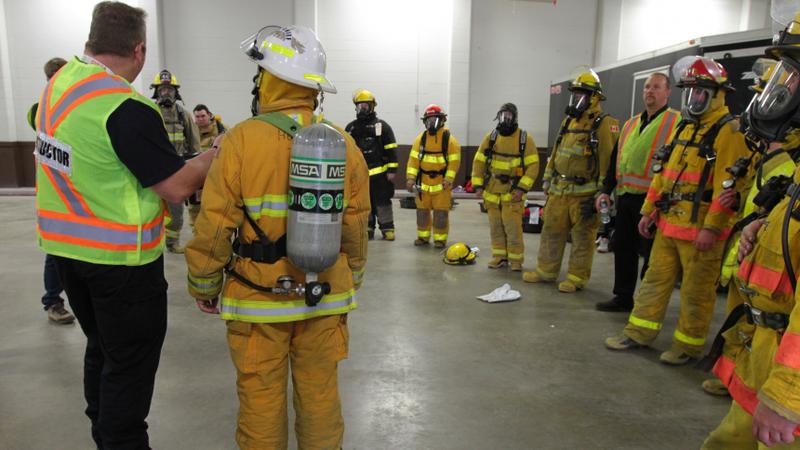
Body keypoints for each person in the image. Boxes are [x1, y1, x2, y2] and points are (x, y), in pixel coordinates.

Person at [33, 2, 215, 448]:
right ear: (139, 50)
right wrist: (216, 155)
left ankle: (102, 429)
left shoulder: (61, 84)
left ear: (90, 43)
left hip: (69, 253)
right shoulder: (124, 106)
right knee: (129, 369)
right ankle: (120, 439)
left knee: (102, 349)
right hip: (122, 265)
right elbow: (174, 187)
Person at [185, 25, 369, 449]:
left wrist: (205, 282)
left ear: (267, 80)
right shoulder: (343, 143)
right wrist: (351, 275)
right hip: (324, 294)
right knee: (321, 398)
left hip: (259, 299)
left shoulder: (240, 140)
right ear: (312, 88)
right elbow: (356, 225)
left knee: (261, 403)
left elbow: (214, 225)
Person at [604, 56, 751, 366]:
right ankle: (638, 332)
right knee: (654, 282)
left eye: (702, 93)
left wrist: (712, 229)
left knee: (696, 294)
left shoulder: (729, 132)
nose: (695, 99)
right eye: (692, 92)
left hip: (701, 232)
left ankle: (688, 346)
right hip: (669, 225)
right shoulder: (684, 128)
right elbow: (663, 174)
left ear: (717, 94)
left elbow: (730, 188)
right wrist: (648, 212)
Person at [701, 9, 800, 447]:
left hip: (788, 385)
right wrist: (766, 222)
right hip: (764, 353)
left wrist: (785, 398)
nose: (783, 92)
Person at [523, 68, 619, 292]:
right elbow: (555, 152)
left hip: (584, 194)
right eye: (574, 95)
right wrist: (547, 181)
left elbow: (607, 160)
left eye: (581, 95)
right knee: (551, 232)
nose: (576, 99)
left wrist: (601, 193)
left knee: (583, 239)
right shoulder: (568, 122)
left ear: (594, 97)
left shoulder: (603, 124)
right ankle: (546, 271)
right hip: (559, 191)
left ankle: (577, 278)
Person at [594, 73, 681, 312]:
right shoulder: (631, 123)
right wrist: (605, 190)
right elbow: (615, 159)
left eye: (656, 87)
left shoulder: (677, 122)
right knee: (622, 248)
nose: (650, 91)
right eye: (646, 87)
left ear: (667, 92)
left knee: (652, 257)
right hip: (626, 197)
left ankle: (646, 304)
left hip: (654, 202)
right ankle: (623, 297)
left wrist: (660, 201)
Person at [27, 57, 75, 324]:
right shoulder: (42, 110)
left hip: (77, 198)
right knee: (56, 254)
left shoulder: (72, 107)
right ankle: (53, 301)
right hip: (55, 200)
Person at [470, 102, 539, 271]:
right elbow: (479, 162)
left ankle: (516, 260)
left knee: (513, 228)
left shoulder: (525, 139)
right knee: (495, 228)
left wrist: (521, 189)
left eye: (508, 116)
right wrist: (478, 186)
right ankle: (499, 257)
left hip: (512, 192)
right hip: (492, 192)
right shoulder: (491, 137)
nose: (505, 120)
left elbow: (533, 167)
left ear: (515, 118)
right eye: (502, 116)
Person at [150, 69, 201, 253]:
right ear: (156, 91)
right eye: (162, 89)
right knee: (150, 208)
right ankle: (153, 242)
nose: (166, 93)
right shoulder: (149, 112)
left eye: (169, 90)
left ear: (175, 92)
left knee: (176, 210)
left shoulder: (183, 114)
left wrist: (195, 168)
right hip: (153, 168)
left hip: (175, 169)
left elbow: (194, 144)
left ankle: (172, 243)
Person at [345, 89, 399, 240]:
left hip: (381, 176)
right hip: (360, 176)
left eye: (366, 106)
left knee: (382, 202)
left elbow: (391, 149)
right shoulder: (351, 128)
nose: (362, 109)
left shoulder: (382, 127)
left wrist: (392, 169)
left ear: (372, 107)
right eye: (360, 106)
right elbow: (347, 152)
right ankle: (367, 228)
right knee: (364, 203)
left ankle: (387, 228)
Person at [406, 104, 462, 248]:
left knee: (441, 214)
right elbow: (413, 161)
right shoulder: (420, 140)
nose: (431, 124)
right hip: (423, 185)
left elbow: (454, 162)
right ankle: (423, 237)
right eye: (428, 121)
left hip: (441, 185)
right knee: (422, 213)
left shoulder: (449, 140)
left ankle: (440, 239)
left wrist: (448, 179)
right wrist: (411, 178)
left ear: (442, 120)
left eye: (434, 120)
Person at [187, 104, 227, 233]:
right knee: (194, 208)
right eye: (197, 116)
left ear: (209, 115)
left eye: (203, 116)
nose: (200, 119)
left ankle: (214, 234)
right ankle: (197, 235)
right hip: (197, 176)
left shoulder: (222, 129)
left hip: (216, 175)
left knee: (216, 205)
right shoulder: (191, 131)